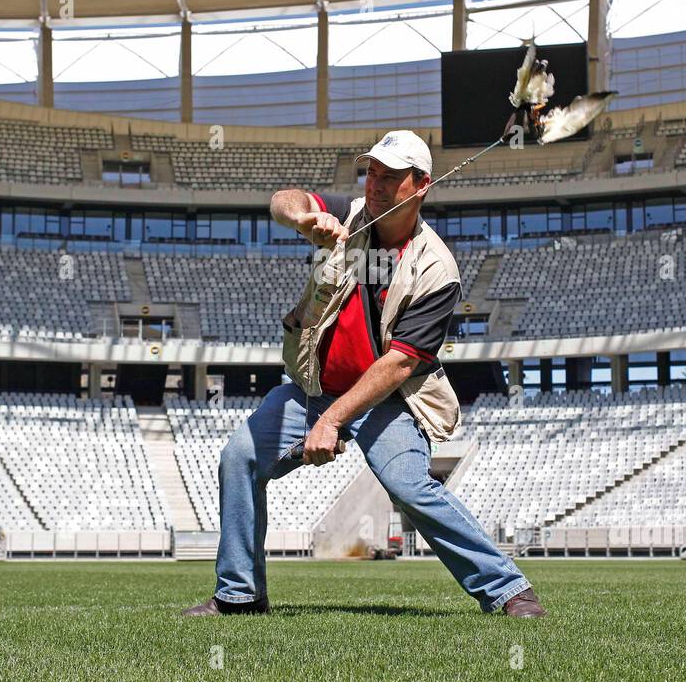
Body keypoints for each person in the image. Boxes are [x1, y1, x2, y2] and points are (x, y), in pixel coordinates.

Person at [183, 129, 545, 618]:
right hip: (312, 388)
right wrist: (303, 219)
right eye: (371, 172)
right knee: (240, 456)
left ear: (420, 186)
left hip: (387, 400)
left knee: (409, 486)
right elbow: (281, 200)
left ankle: (507, 590)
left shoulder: (438, 269)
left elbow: (399, 363)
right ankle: (240, 595)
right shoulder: (349, 213)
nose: (374, 185)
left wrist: (333, 420)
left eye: (389, 177)